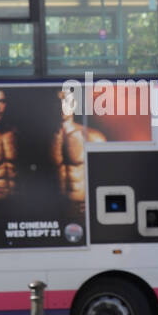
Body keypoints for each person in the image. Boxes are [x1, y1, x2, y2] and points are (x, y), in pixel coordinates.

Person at [51, 88, 106, 218]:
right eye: (58, 101)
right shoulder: (43, 138)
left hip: (83, 207)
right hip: (53, 209)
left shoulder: (91, 137)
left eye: (66, 101)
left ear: (74, 104)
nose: (62, 106)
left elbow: (106, 175)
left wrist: (95, 201)